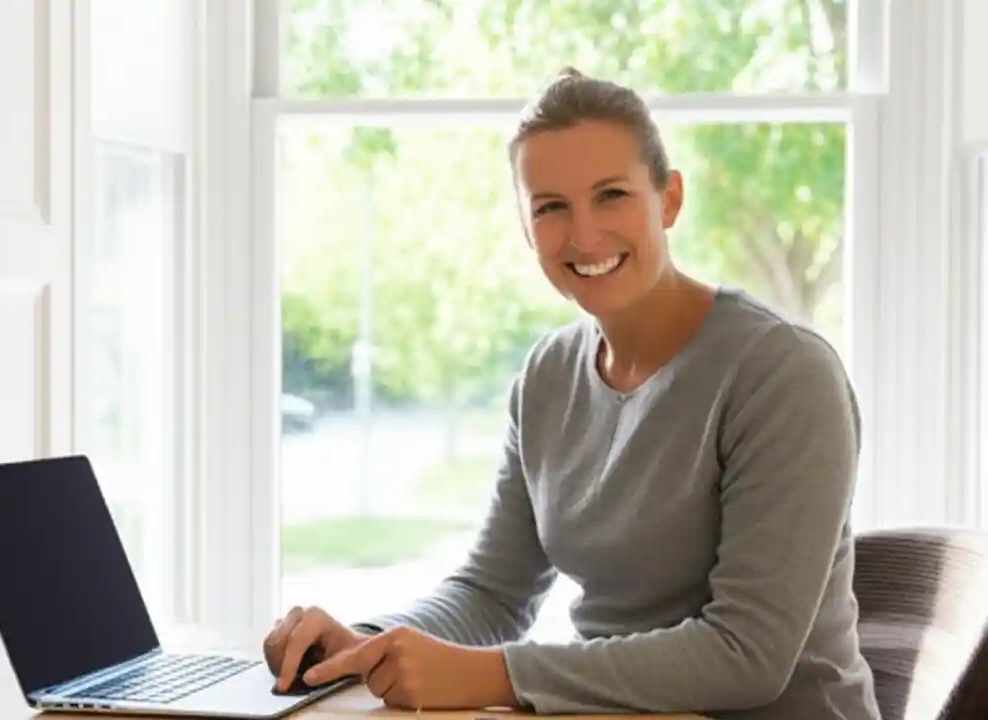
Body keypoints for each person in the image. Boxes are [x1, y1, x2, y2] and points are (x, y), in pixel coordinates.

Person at [262, 68, 882, 720]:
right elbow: (493, 594)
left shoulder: (782, 375)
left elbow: (745, 655)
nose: (583, 237)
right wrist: (364, 646)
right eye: (551, 207)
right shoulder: (547, 378)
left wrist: (494, 677)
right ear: (526, 228)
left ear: (668, 200)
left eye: (611, 195)